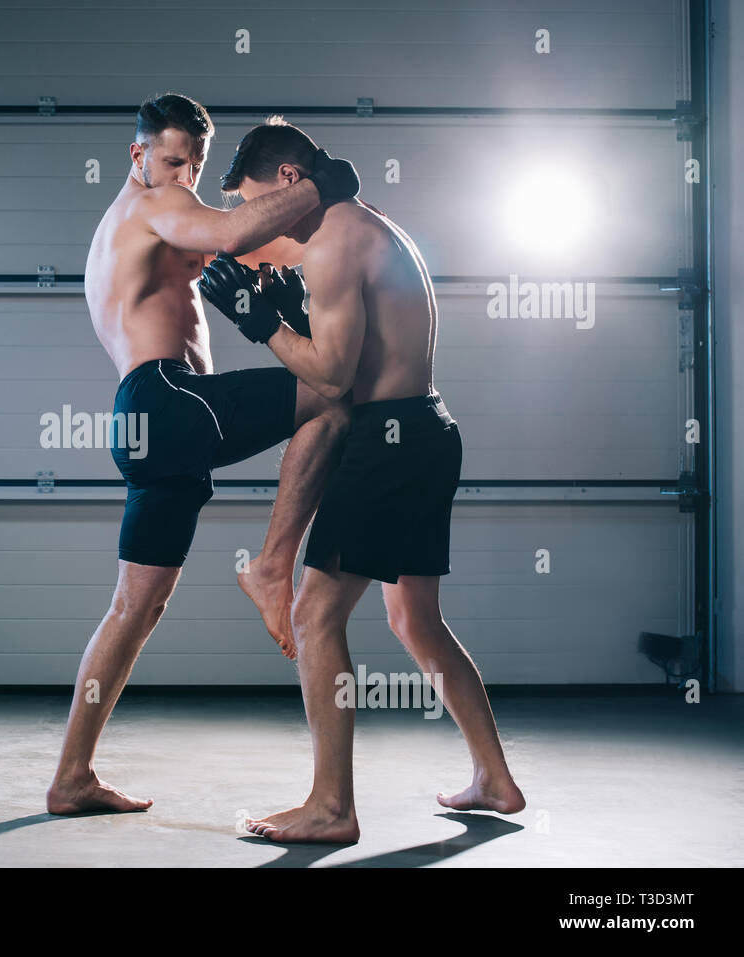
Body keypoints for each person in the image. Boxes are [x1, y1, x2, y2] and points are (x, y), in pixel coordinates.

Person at [200, 117, 526, 842]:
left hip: (390, 441)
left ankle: (331, 808)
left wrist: (260, 324)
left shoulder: (336, 237)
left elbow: (333, 375)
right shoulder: (367, 223)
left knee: (316, 615)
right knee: (415, 618)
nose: (259, 224)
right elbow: (357, 346)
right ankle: (496, 780)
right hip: (428, 431)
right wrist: (288, 311)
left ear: (289, 181)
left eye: (259, 203)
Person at [46, 94, 360, 814]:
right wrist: (322, 186)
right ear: (138, 155)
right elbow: (231, 230)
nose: (184, 174)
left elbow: (250, 245)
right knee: (331, 394)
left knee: (136, 605)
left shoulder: (147, 222)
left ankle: (71, 776)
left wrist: (290, 270)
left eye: (194, 163)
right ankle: (275, 564)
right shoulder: (151, 206)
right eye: (171, 159)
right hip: (167, 398)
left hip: (147, 420)